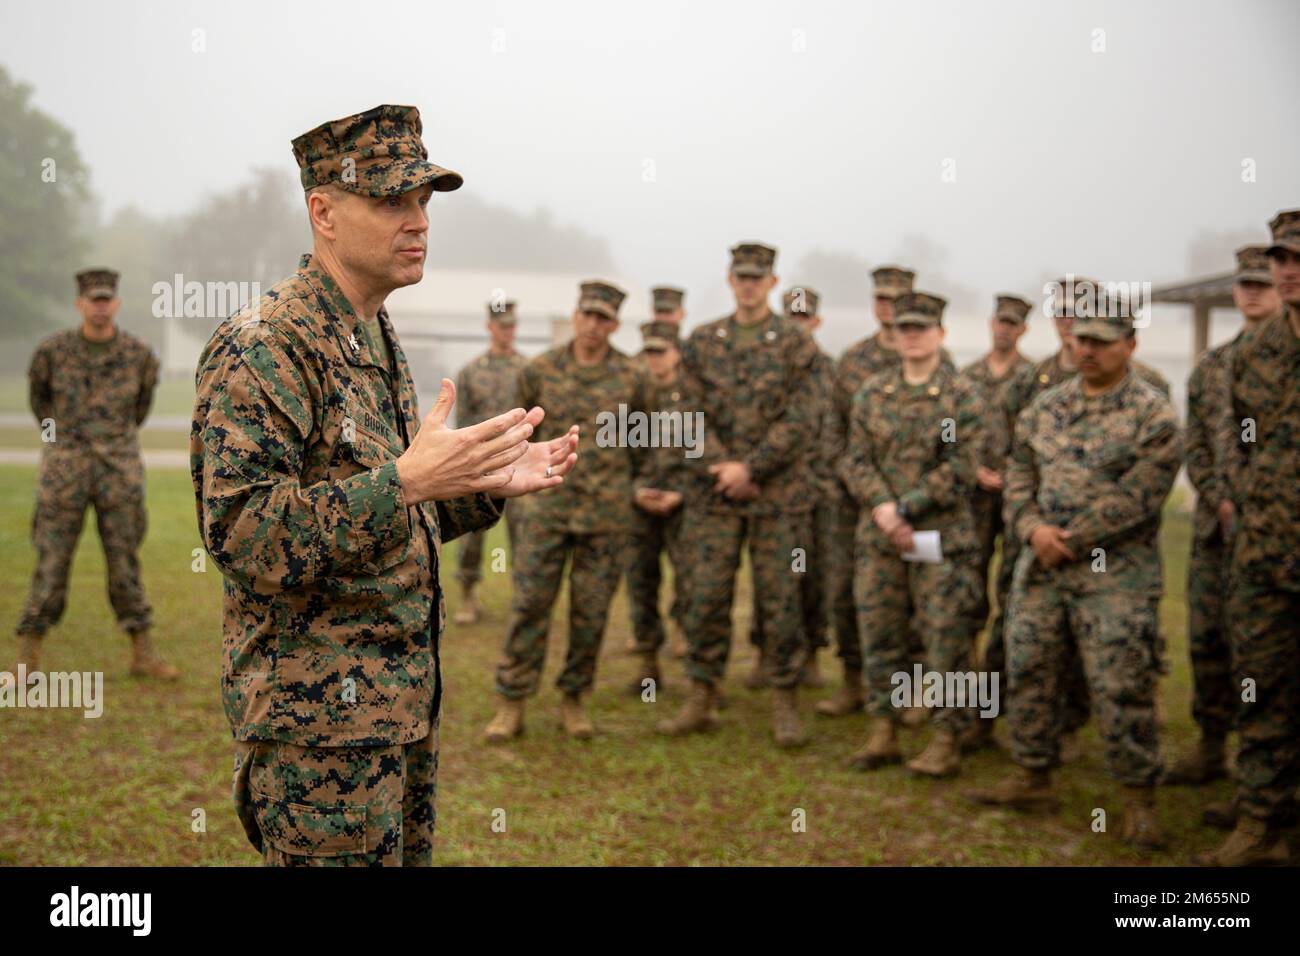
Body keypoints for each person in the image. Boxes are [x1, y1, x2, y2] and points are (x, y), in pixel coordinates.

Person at [192, 104, 578, 866]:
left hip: (397, 709)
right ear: (323, 212)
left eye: (424, 202)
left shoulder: (372, 330)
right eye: (391, 200)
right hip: (316, 731)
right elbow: (242, 534)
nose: (419, 221)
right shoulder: (267, 344)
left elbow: (392, 505)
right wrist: (402, 483)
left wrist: (478, 482)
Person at [967, 296, 1180, 852]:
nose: (1086, 349)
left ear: (1130, 346)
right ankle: (1032, 774)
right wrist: (1032, 527)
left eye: (1101, 341)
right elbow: (1018, 471)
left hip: (1115, 574)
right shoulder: (1045, 406)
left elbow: (1142, 495)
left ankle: (1138, 798)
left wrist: (1074, 538)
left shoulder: (1152, 413)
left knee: (1120, 681)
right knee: (1030, 669)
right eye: (1080, 339)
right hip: (1041, 567)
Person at [657, 242, 819, 748]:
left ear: (772, 282)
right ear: (730, 280)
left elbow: (803, 417)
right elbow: (684, 414)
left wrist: (753, 466)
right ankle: (702, 696)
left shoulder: (796, 345)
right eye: (741, 276)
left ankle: (784, 698)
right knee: (705, 596)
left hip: (777, 495)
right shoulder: (702, 342)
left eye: (758, 276)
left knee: (780, 600)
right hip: (715, 494)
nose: (749, 284)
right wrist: (724, 466)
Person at [486, 280, 650, 741]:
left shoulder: (633, 376)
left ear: (615, 324)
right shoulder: (540, 371)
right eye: (587, 315)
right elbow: (519, 432)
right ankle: (511, 700)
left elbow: (644, 441)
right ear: (576, 316)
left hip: (606, 514)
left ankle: (574, 698)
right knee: (530, 604)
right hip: (547, 509)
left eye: (604, 318)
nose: (593, 325)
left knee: (591, 611)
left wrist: (633, 487)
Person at [838, 291, 988, 777]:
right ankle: (884, 728)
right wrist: (883, 508)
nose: (912, 337)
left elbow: (961, 467)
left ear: (941, 335)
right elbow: (855, 459)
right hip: (881, 535)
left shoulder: (961, 396)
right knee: (880, 632)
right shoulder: (873, 393)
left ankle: (948, 736)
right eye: (904, 329)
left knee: (946, 637)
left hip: (938, 538)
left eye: (921, 328)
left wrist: (907, 507)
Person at [13, 267, 176, 681]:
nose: (100, 307)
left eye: (107, 300)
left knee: (125, 562)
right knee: (51, 562)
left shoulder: (139, 356)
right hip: (64, 472)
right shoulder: (52, 353)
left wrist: (113, 444)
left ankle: (143, 654)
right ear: (80, 304)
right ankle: (27, 659)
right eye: (93, 300)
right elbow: (39, 404)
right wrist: (62, 446)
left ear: (116, 304)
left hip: (118, 472)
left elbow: (139, 410)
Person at [1203, 208, 1300, 866]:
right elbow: (1239, 436)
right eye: (1281, 260)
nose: (1288, 272)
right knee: (1261, 684)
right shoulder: (1258, 350)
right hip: (1265, 553)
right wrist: (1239, 500)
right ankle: (1261, 818)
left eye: (1297, 260)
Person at [1165, 246, 1279, 786]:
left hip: (1276, 534)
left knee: (1263, 651)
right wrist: (1217, 495)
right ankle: (1211, 745)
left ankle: (1262, 772)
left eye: (1262, 282)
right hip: (1215, 530)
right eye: (1244, 283)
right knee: (1207, 640)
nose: (1252, 291)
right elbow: (1196, 444)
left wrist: (1253, 500)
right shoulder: (1212, 365)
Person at [748, 286, 834, 690]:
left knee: (813, 576)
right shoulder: (768, 373)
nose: (797, 325)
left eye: (804, 318)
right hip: (778, 491)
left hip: (823, 493)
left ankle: (812, 653)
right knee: (774, 577)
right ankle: (766, 652)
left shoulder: (832, 370)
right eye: (790, 318)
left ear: (815, 322)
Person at [958, 293, 1032, 748]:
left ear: (1022, 329)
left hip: (1016, 501)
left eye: (1012, 324)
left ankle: (993, 709)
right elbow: (951, 432)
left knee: (1012, 603)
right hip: (972, 502)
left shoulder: (1033, 378)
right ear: (990, 324)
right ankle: (963, 707)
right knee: (966, 602)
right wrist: (973, 470)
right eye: (999, 321)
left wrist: (1014, 477)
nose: (1003, 329)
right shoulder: (966, 377)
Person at [452, 300, 529, 624]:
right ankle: (469, 598)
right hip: (481, 464)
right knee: (472, 532)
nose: (507, 331)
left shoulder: (529, 369)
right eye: (502, 325)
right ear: (490, 327)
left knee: (524, 533)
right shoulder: (471, 372)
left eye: (512, 325)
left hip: (520, 463)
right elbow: (463, 425)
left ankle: (524, 598)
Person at [627, 319, 694, 691]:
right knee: (642, 582)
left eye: (661, 351)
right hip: (640, 506)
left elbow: (702, 455)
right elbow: (619, 453)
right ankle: (648, 664)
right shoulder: (632, 399)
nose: (654, 359)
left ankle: (693, 661)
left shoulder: (693, 398)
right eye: (649, 351)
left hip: (684, 507)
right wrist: (636, 490)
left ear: (677, 353)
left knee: (691, 582)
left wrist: (681, 492)